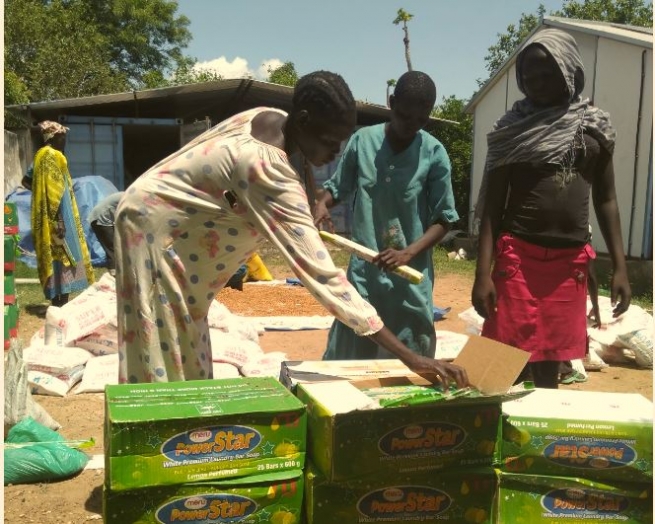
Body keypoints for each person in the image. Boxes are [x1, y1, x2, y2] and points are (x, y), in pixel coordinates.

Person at [115, 70, 468, 387]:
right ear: (304, 120)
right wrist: (411, 358)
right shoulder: (266, 167)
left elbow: (300, 160)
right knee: (164, 355)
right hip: (154, 236)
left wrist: (311, 198)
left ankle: (185, 432)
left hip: (170, 231)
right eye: (331, 143)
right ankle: (164, 443)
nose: (335, 153)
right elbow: (323, 278)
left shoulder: (272, 120)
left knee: (189, 344)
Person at [472, 29, 631, 389]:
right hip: (518, 256)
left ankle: (540, 431)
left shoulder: (595, 128)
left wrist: (620, 267)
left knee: (551, 355)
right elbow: (493, 206)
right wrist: (483, 273)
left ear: (570, 70)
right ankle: (496, 432)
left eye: (547, 73)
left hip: (570, 263)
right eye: (529, 75)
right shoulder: (512, 130)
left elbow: (607, 199)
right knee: (504, 352)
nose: (537, 82)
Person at [313, 71, 458, 360]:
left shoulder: (434, 153)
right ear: (391, 103)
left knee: (413, 343)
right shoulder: (362, 142)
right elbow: (337, 187)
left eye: (421, 120)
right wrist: (322, 204)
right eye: (405, 116)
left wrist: (407, 253)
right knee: (357, 338)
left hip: (410, 273)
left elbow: (445, 219)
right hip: (366, 271)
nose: (411, 126)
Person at [30, 121, 95, 307]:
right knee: (67, 257)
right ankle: (62, 304)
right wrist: (59, 220)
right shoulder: (54, 156)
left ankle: (56, 302)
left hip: (45, 217)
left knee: (54, 257)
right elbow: (54, 191)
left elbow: (29, 182)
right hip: (60, 214)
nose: (65, 140)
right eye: (63, 136)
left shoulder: (39, 156)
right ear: (54, 137)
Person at [559, 225, 600, 384]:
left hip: (548, 293)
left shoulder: (557, 247)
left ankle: (532, 371)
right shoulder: (583, 250)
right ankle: (565, 371)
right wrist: (596, 309)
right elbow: (593, 279)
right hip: (569, 299)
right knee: (565, 334)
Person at [88, 191, 124, 274]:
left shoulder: (130, 195)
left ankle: (117, 270)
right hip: (100, 219)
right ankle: (114, 273)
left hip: (106, 219)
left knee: (116, 245)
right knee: (112, 246)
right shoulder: (130, 198)